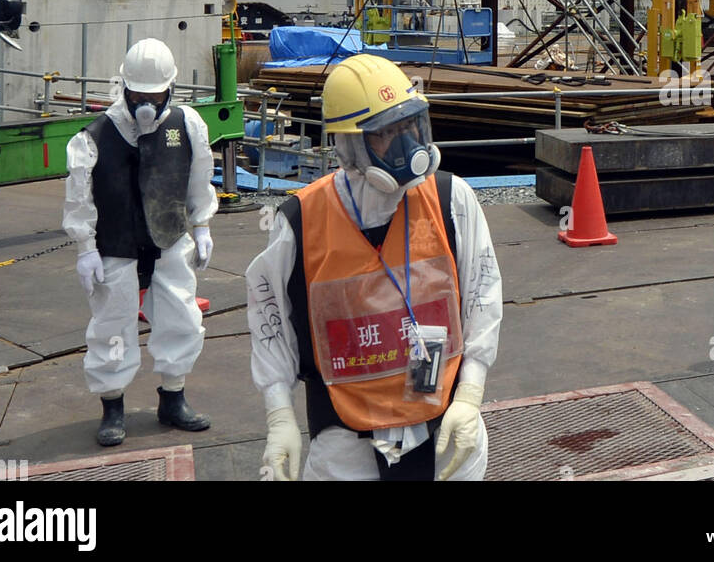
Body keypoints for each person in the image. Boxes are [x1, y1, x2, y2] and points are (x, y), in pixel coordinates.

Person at [246, 54, 502, 481]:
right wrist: (279, 416)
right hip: (347, 447)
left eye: (411, 126)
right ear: (349, 147)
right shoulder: (300, 222)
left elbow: (482, 296)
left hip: (446, 430)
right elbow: (269, 320)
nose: (408, 146)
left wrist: (471, 396)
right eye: (386, 134)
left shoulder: (450, 201)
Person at [63, 38, 217, 445]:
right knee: (112, 327)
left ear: (170, 90)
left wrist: (201, 226)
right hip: (116, 245)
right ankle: (113, 407)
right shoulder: (94, 135)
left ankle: (173, 398)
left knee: (182, 318)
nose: (145, 102)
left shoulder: (187, 126)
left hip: (169, 239)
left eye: (153, 95)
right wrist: (85, 248)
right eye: (137, 95)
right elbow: (79, 197)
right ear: (124, 88)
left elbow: (199, 178)